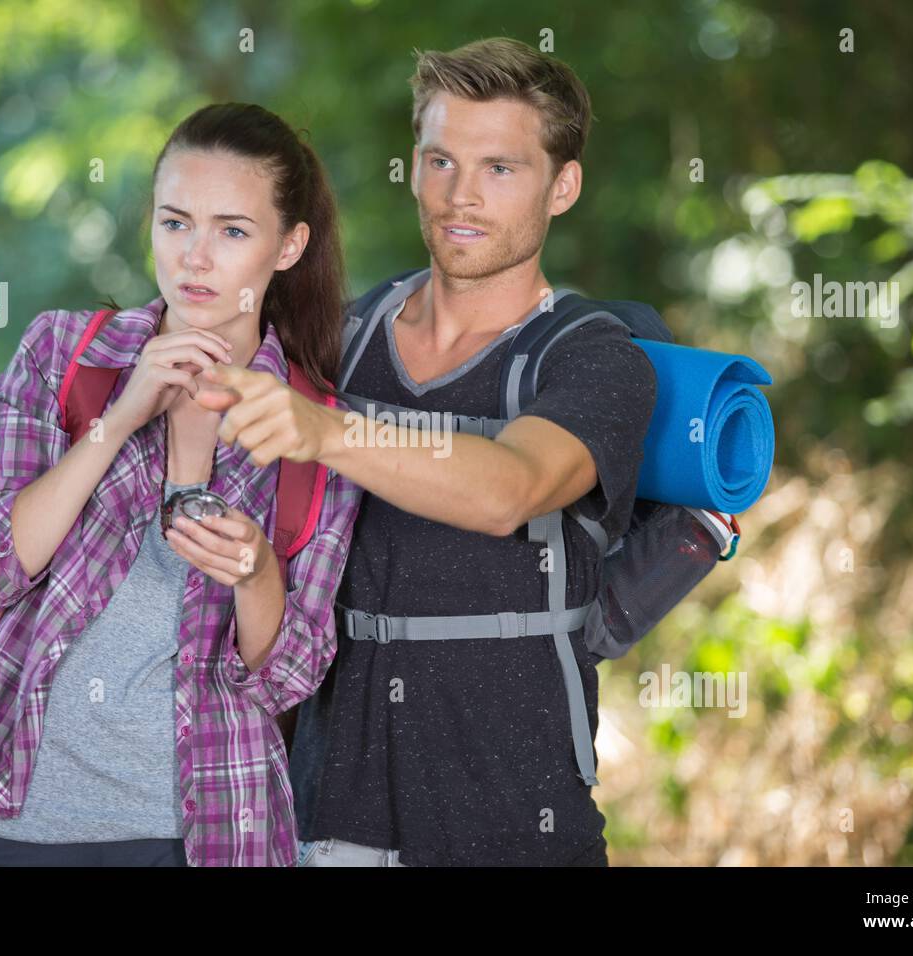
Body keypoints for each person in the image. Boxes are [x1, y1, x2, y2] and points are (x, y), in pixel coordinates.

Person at [197, 38, 658, 866]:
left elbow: (508, 490)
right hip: (327, 807)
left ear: (565, 185)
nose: (461, 196)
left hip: (516, 820)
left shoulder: (595, 358)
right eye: (440, 160)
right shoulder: (342, 340)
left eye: (501, 169)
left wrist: (327, 430)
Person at [0, 102, 362, 867]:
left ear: (289, 246)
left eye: (232, 231)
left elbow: (286, 677)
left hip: (203, 836)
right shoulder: (64, 352)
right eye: (175, 223)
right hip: (10, 821)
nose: (196, 257)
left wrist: (257, 570)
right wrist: (120, 418)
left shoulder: (316, 427)